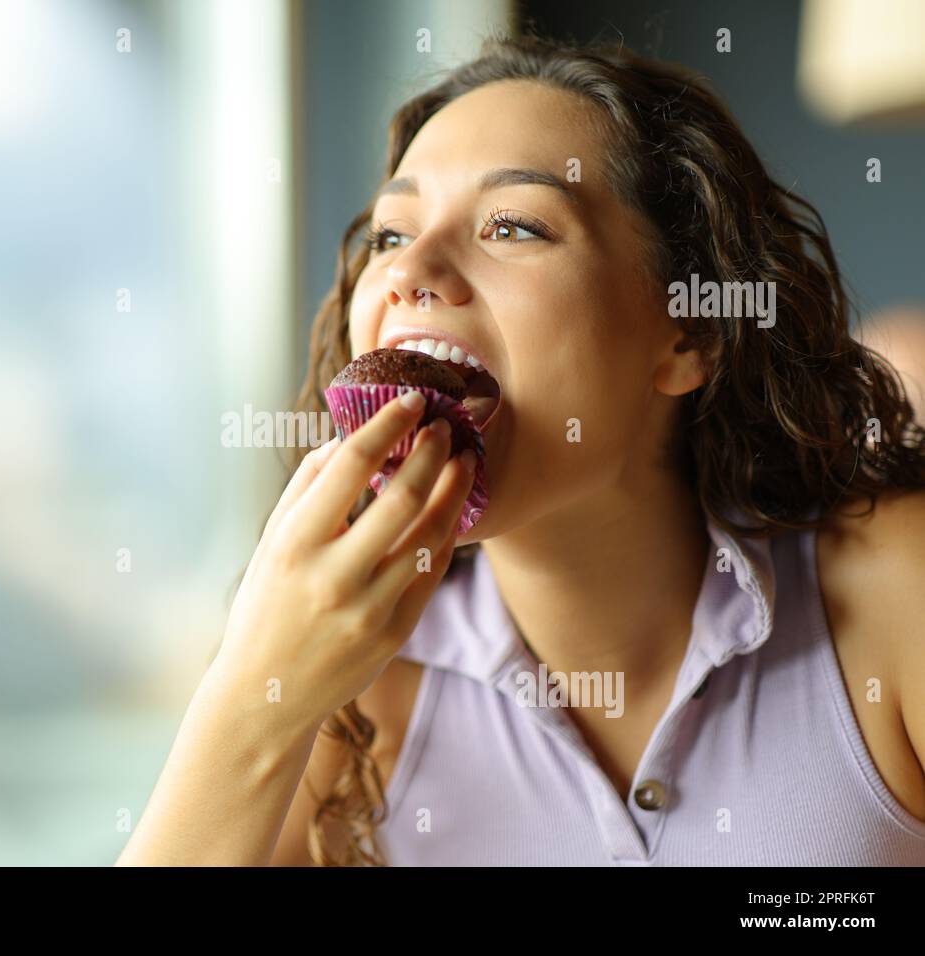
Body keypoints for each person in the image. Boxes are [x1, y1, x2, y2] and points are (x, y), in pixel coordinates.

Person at [116, 32, 925, 866]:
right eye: (391, 235)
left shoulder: (893, 596)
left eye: (512, 226)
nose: (411, 269)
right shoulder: (353, 691)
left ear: (689, 331)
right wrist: (254, 694)